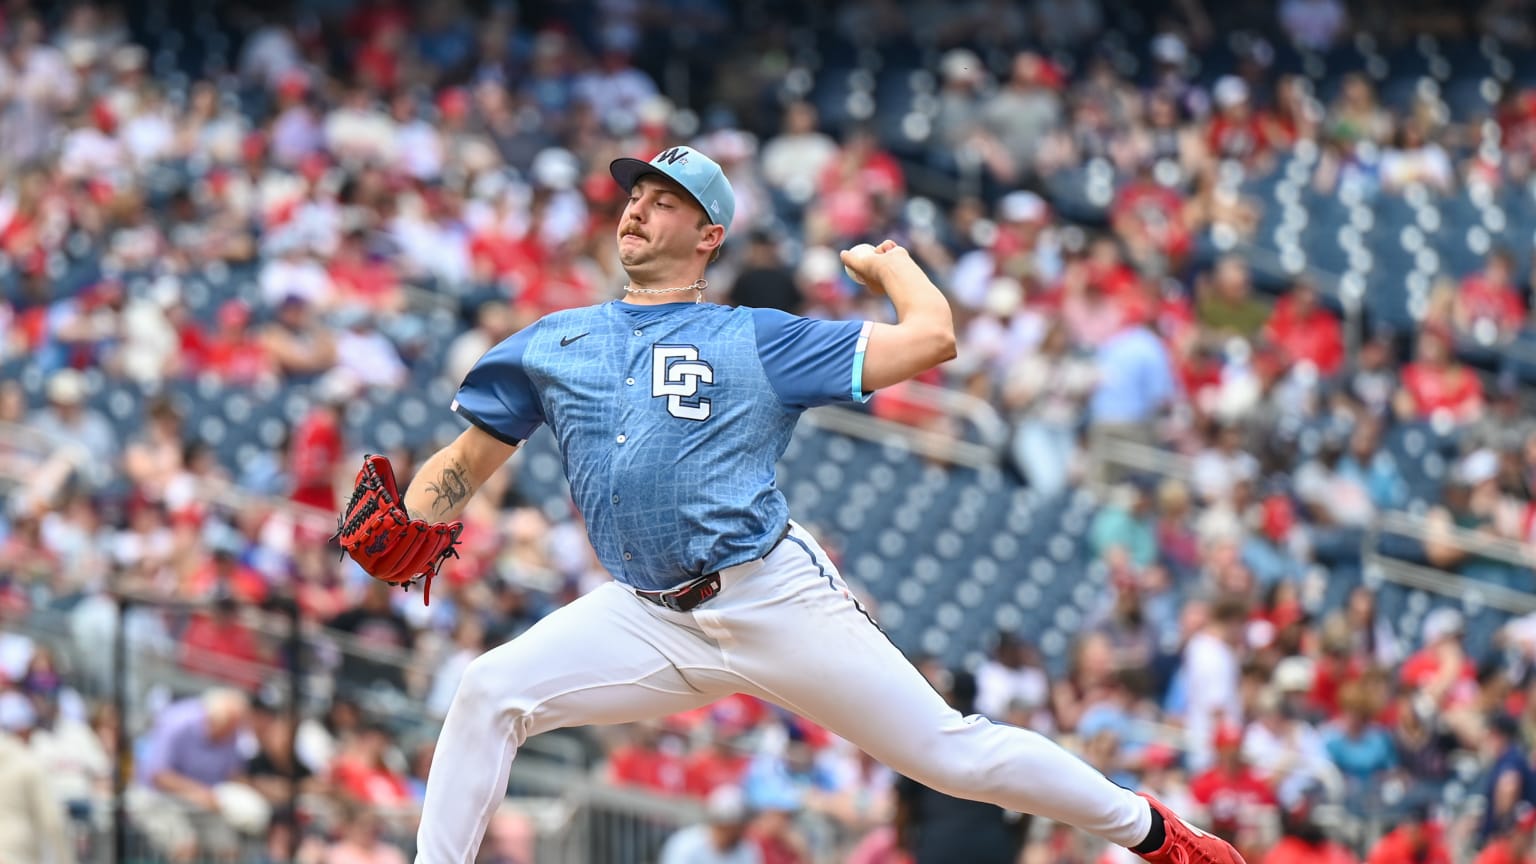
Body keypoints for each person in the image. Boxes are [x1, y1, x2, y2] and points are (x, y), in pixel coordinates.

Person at [342, 144, 1245, 864]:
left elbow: (933, 338)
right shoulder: (557, 340)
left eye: (664, 197)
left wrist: (890, 265)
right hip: (644, 614)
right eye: (634, 193)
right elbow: (463, 462)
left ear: (710, 236)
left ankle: (1152, 832)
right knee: (489, 687)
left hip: (770, 595)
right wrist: (418, 519)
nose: (637, 205)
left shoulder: (757, 340)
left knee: (952, 755)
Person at [659, 786, 763, 864]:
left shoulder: (746, 849)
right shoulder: (686, 845)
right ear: (725, 824)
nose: (743, 829)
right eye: (739, 824)